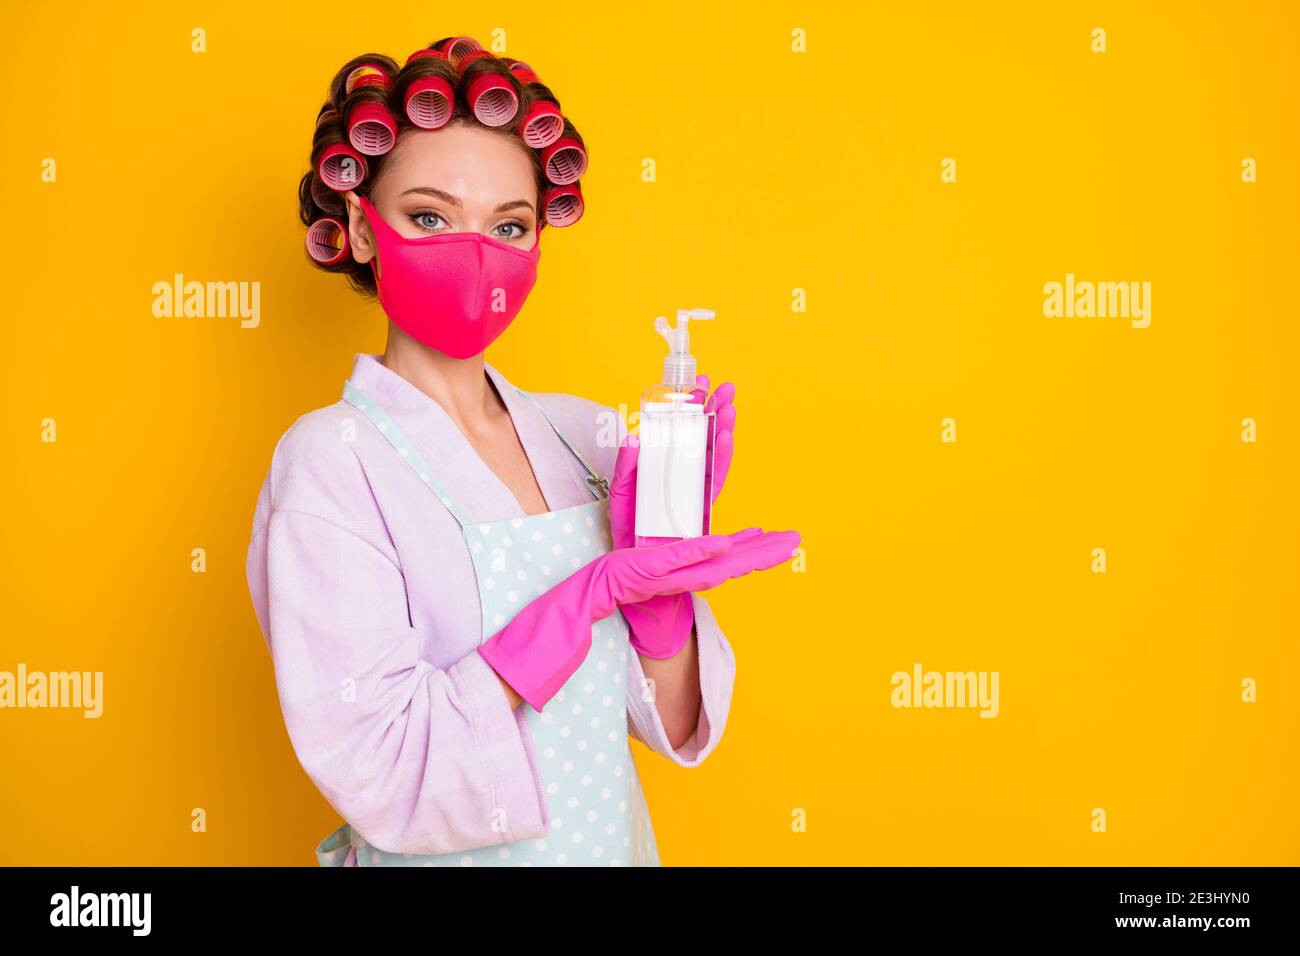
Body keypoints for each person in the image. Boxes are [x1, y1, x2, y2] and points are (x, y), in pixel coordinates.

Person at [244, 36, 801, 867]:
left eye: (509, 225)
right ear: (362, 228)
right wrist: (575, 606)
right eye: (429, 216)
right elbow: (383, 767)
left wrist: (658, 609)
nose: (477, 256)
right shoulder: (333, 461)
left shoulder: (582, 436)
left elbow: (674, 726)